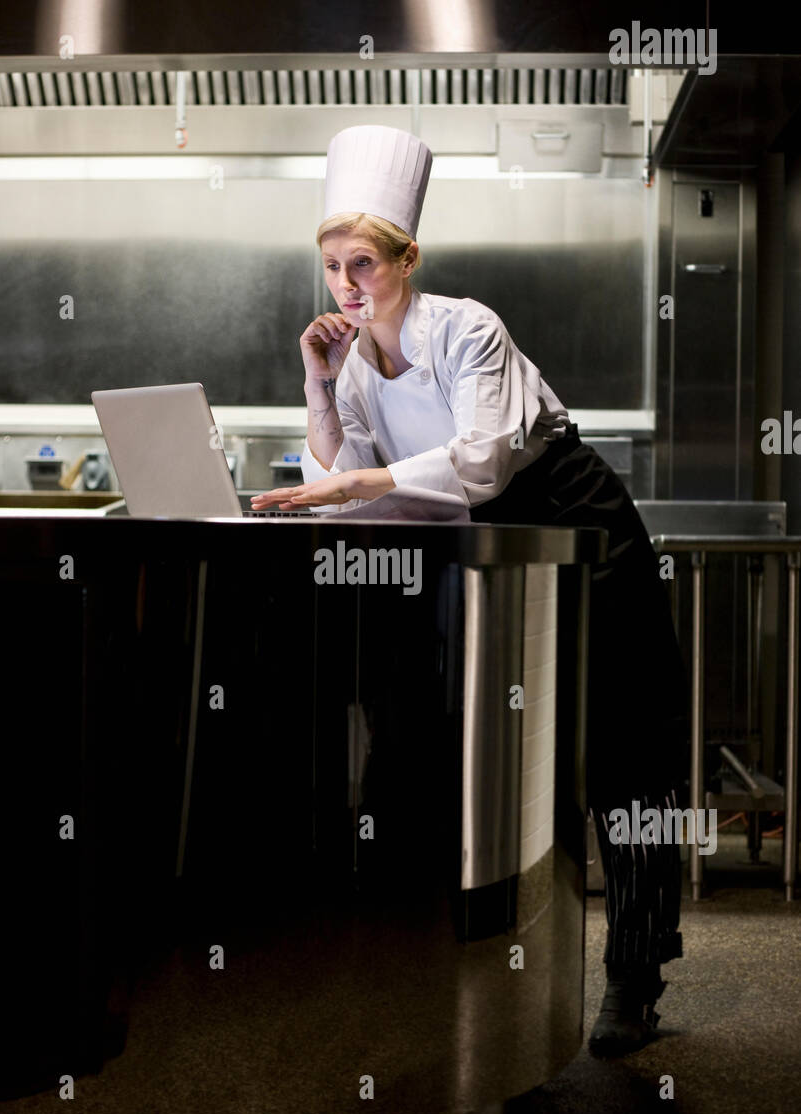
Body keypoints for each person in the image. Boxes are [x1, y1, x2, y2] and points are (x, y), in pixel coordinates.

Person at [252, 125, 690, 1057]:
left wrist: (350, 484)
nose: (345, 285)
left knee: (622, 743)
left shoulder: (467, 328)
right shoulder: (358, 366)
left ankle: (637, 975)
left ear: (406, 259)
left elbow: (484, 465)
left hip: (572, 515)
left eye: (361, 263)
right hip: (465, 545)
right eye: (331, 267)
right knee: (444, 741)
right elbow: (353, 479)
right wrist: (319, 386)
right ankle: (439, 954)